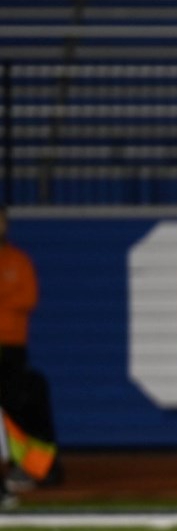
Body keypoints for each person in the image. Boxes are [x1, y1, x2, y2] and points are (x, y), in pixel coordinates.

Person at [0, 205, 59, 491]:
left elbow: (28, 299)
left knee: (20, 401)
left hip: (11, 347)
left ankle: (30, 467)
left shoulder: (18, 260)